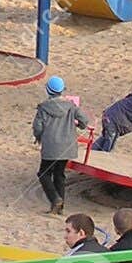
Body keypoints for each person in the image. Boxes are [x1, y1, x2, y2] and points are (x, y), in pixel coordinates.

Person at [32, 76, 89, 215]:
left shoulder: (44, 108)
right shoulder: (71, 106)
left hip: (51, 146)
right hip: (67, 146)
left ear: (48, 90)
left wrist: (38, 137)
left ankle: (55, 199)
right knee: (59, 174)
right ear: (62, 90)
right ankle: (60, 208)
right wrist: (80, 125)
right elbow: (84, 120)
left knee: (44, 174)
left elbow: (37, 126)